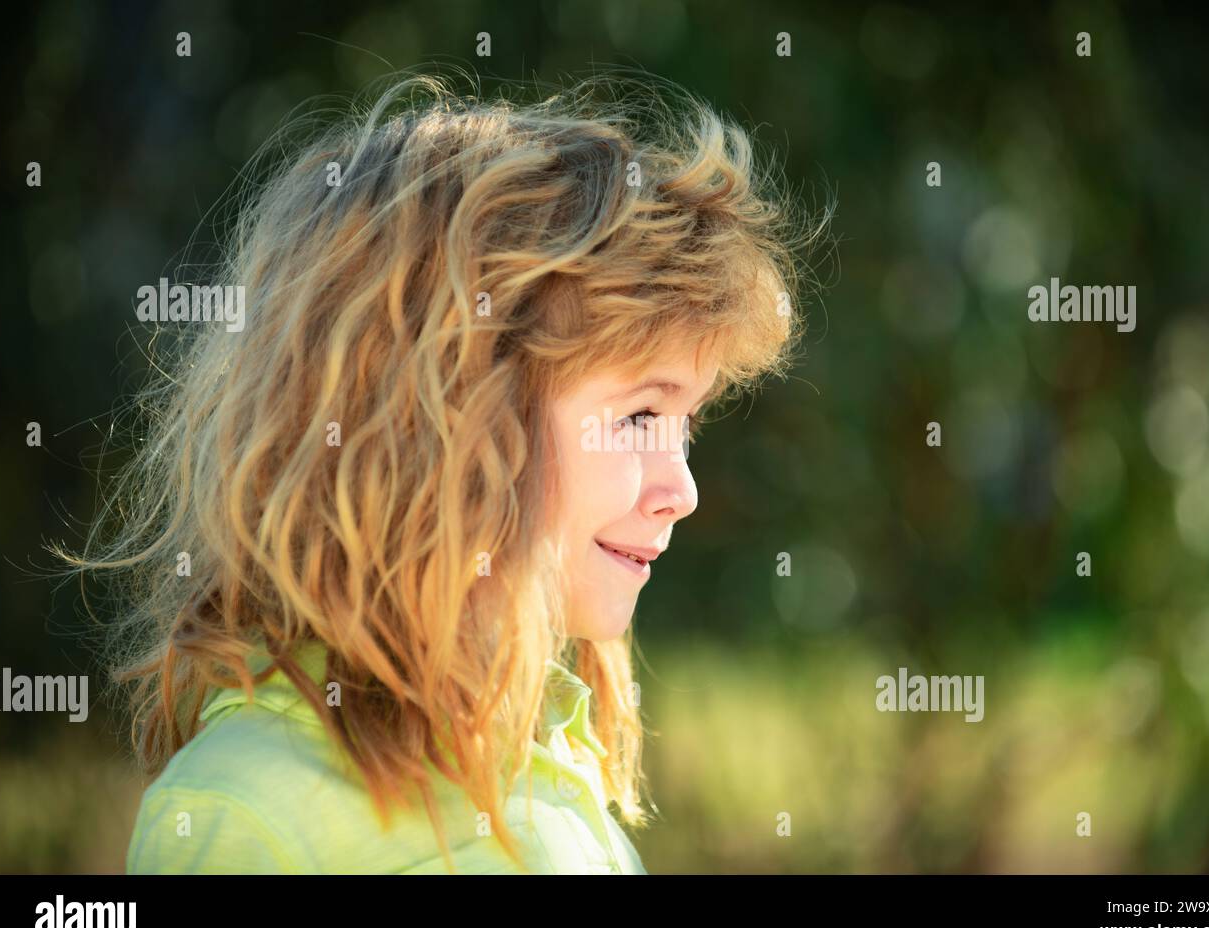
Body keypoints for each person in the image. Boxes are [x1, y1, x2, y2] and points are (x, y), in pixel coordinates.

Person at [58, 69, 828, 873]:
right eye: (639, 416)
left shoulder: (551, 755)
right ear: (451, 420)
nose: (685, 490)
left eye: (686, 422)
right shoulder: (250, 812)